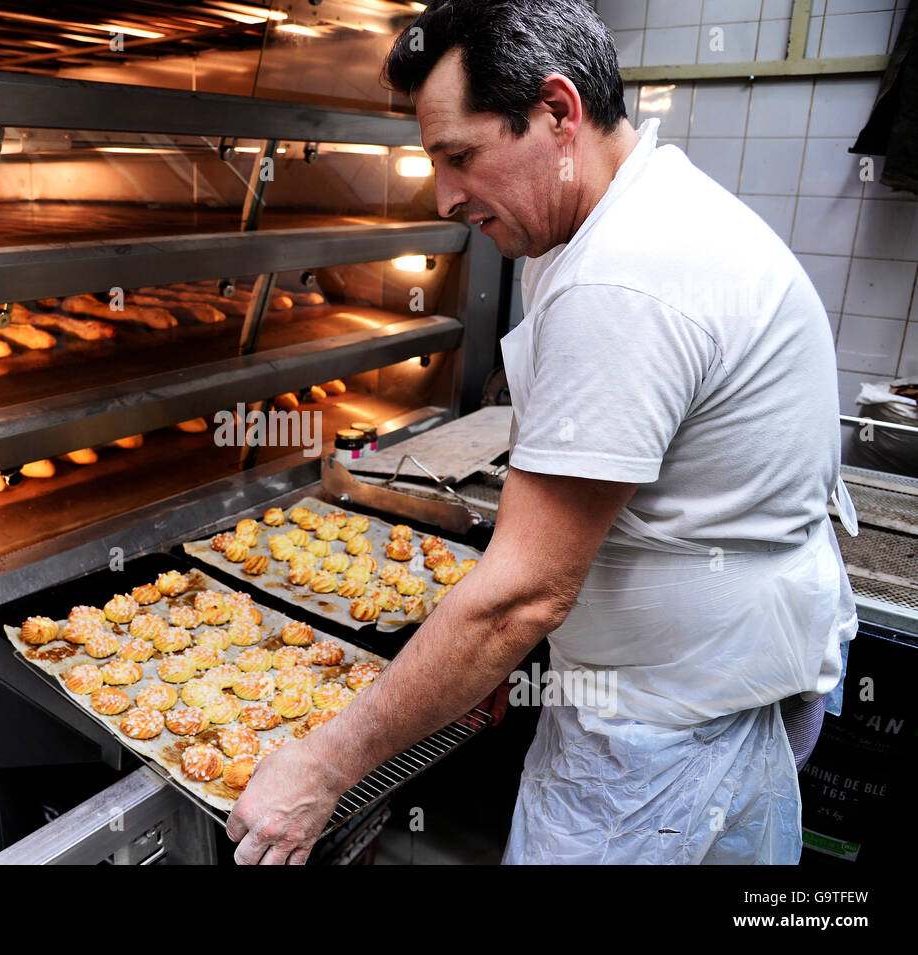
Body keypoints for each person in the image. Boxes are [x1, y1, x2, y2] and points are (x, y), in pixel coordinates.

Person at [226, 0, 857, 865]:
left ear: (559, 113)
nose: (447, 195)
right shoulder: (638, 213)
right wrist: (495, 662)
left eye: (460, 156)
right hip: (716, 696)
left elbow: (523, 592)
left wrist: (324, 766)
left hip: (660, 751)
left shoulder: (624, 277)